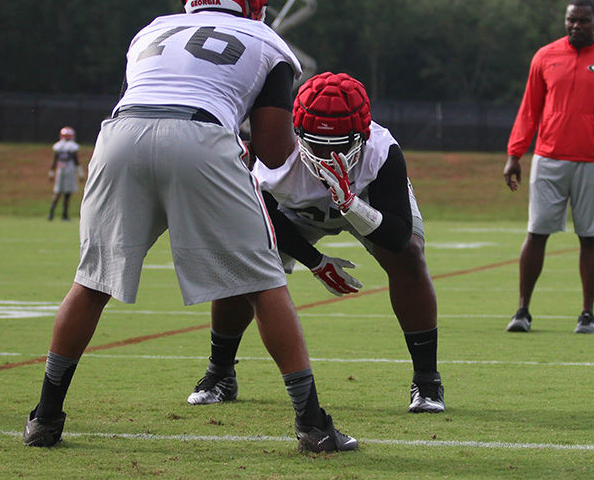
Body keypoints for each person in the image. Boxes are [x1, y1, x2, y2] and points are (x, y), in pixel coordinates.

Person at [23, 0, 357, 453]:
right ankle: (313, 424)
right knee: (265, 284)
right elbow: (273, 151)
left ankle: (45, 416)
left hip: (119, 136)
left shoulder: (151, 31)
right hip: (201, 137)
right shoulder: (266, 41)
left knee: (90, 283)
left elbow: (148, 96)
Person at [187, 72, 445, 413]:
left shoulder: (381, 152)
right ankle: (219, 372)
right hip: (292, 213)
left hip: (364, 201)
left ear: (363, 135)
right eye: (317, 143)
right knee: (243, 261)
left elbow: (397, 238)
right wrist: (316, 261)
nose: (327, 154)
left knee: (410, 256)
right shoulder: (274, 155)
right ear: (296, 132)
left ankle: (427, 381)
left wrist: (351, 204)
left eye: (338, 144)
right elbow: (261, 221)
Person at [502, 0, 594, 335]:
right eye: (571, 20)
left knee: (590, 236)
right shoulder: (545, 56)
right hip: (548, 158)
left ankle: (587, 314)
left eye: (583, 20)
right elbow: (529, 108)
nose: (576, 25)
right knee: (536, 232)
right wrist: (515, 154)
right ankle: (522, 311)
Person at [47, 126, 84, 221]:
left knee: (57, 192)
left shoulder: (58, 146)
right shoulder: (72, 146)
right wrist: (80, 173)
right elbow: (76, 160)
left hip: (60, 170)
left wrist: (51, 172)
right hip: (69, 170)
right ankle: (64, 215)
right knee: (67, 193)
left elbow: (54, 160)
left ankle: (51, 214)